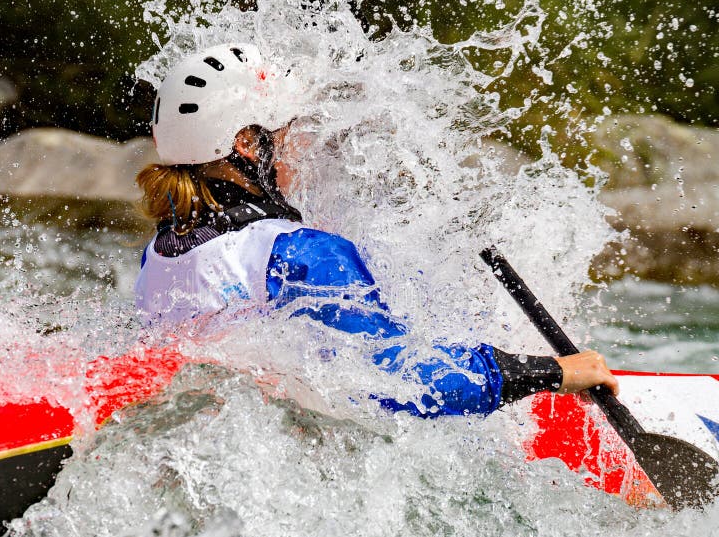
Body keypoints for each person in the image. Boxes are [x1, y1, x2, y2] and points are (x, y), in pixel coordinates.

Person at [135, 43, 618, 417]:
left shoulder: (160, 251)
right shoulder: (300, 254)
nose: (305, 146)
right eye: (290, 131)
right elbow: (401, 381)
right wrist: (551, 372)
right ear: (245, 143)